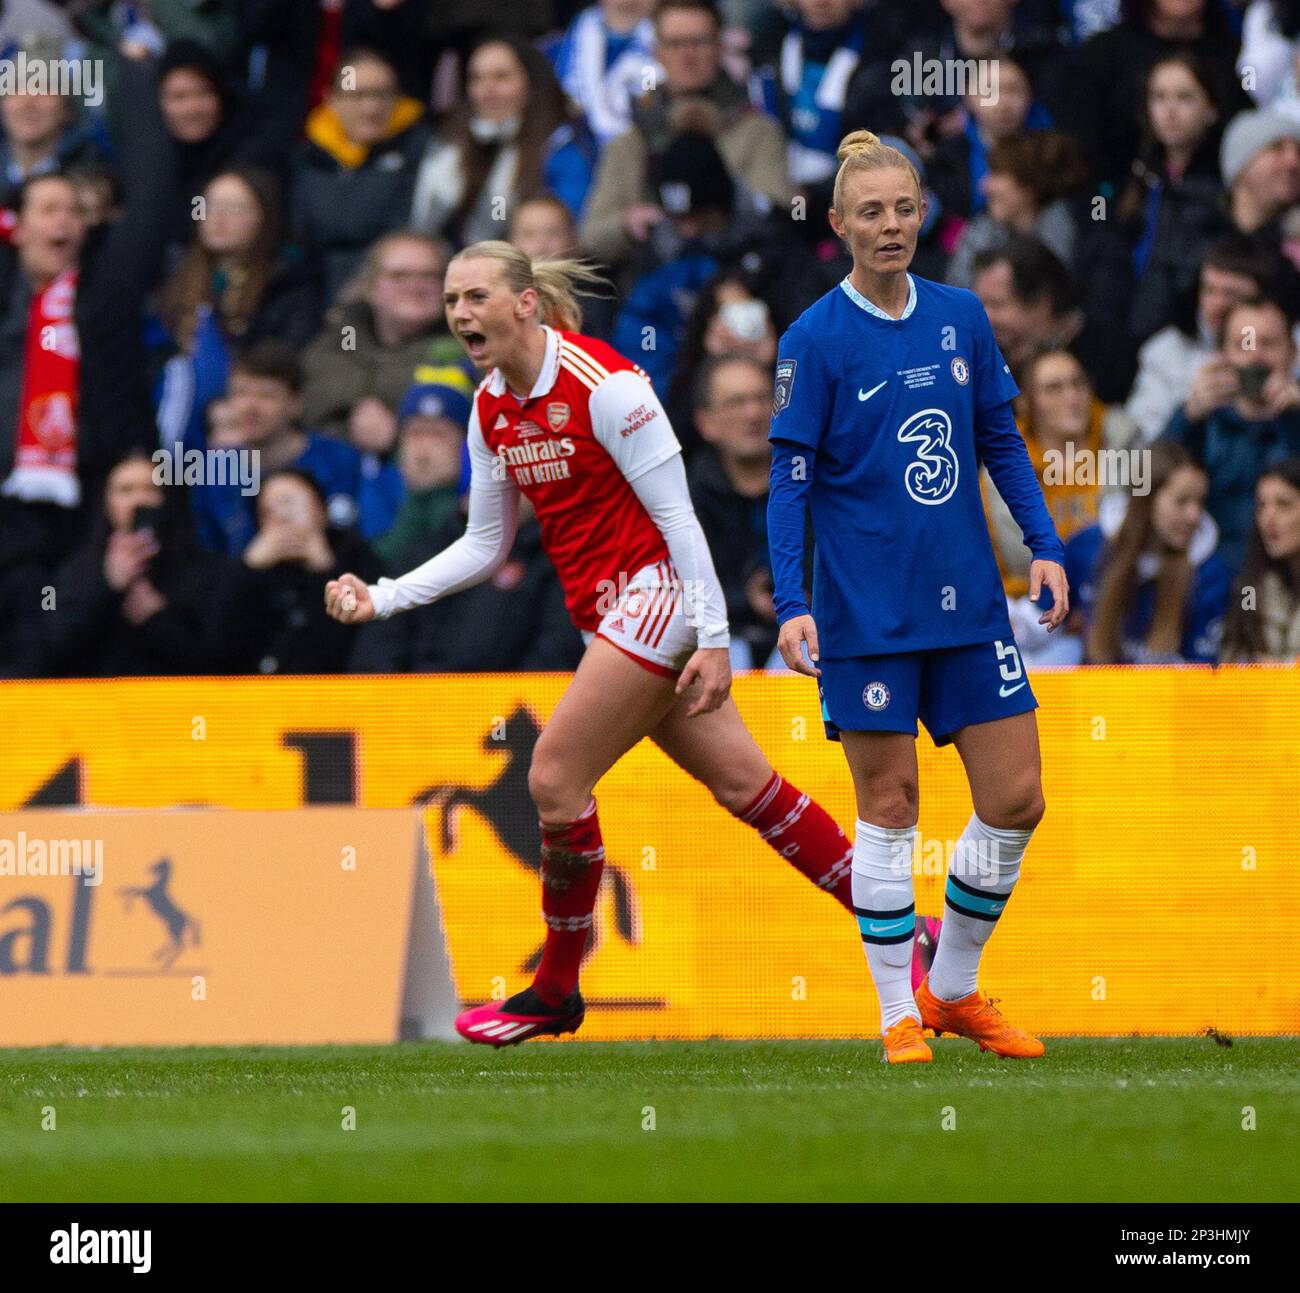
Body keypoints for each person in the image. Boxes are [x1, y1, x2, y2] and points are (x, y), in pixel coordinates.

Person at [324, 238, 928, 1046]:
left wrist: (712, 637)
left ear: (526, 304)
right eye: (451, 301)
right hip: (608, 620)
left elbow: (681, 517)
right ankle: (902, 925)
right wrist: (386, 594)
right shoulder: (491, 409)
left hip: (662, 600)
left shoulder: (606, 385)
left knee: (553, 774)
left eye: (475, 297)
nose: (461, 314)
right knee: (749, 788)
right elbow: (484, 543)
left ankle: (554, 988)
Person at [767, 130, 1069, 1064]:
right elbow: (789, 482)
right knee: (890, 806)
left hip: (971, 604)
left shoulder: (961, 316)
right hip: (866, 613)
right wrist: (790, 601)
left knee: (1017, 796)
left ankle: (954, 988)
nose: (891, 225)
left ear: (923, 212)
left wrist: (1045, 546)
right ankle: (897, 1011)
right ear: (839, 225)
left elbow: (1000, 442)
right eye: (871, 211)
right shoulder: (813, 339)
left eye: (904, 208)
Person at [580, 0, 791, 273]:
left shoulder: (757, 130)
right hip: (653, 285)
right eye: (675, 44)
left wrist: (720, 208)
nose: (687, 55)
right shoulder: (633, 137)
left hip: (736, 275)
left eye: (699, 42)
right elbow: (591, 236)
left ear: (720, 46)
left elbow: (781, 216)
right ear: (656, 52)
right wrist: (629, 223)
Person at [42, 449, 230, 677]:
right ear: (106, 502)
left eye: (150, 489)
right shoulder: (78, 569)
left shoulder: (206, 572)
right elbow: (52, 652)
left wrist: (157, 619)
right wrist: (107, 585)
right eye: (125, 490)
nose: (139, 500)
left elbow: (219, 667)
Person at [411, 34, 597, 247]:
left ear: (532, 84)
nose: (486, 90)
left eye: (501, 77)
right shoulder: (452, 145)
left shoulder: (562, 146)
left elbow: (570, 228)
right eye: (476, 78)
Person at [1162, 294, 1300, 571]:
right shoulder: (1198, 421)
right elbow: (1146, 489)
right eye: (1243, 344)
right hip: (1205, 577)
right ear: (1221, 355)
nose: (1255, 356)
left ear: (1293, 352)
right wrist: (1188, 418)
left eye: (1269, 344)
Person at [1064, 441, 1231, 663]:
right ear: (1146, 499)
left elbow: (1201, 673)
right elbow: (1036, 625)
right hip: (1095, 691)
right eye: (1181, 501)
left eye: (1200, 502)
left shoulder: (1210, 574)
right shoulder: (1087, 546)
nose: (1194, 515)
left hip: (1167, 694)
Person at [1125, 235, 1283, 441]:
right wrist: (1188, 413)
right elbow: (1141, 446)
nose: (1216, 306)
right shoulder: (1165, 351)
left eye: (1231, 294)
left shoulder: (1288, 344)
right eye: (1209, 290)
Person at [1220, 456, 1300, 660]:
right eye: (1261, 505)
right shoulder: (1250, 587)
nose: (1268, 517)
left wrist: (1283, 674)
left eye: (1284, 504)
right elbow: (1231, 657)